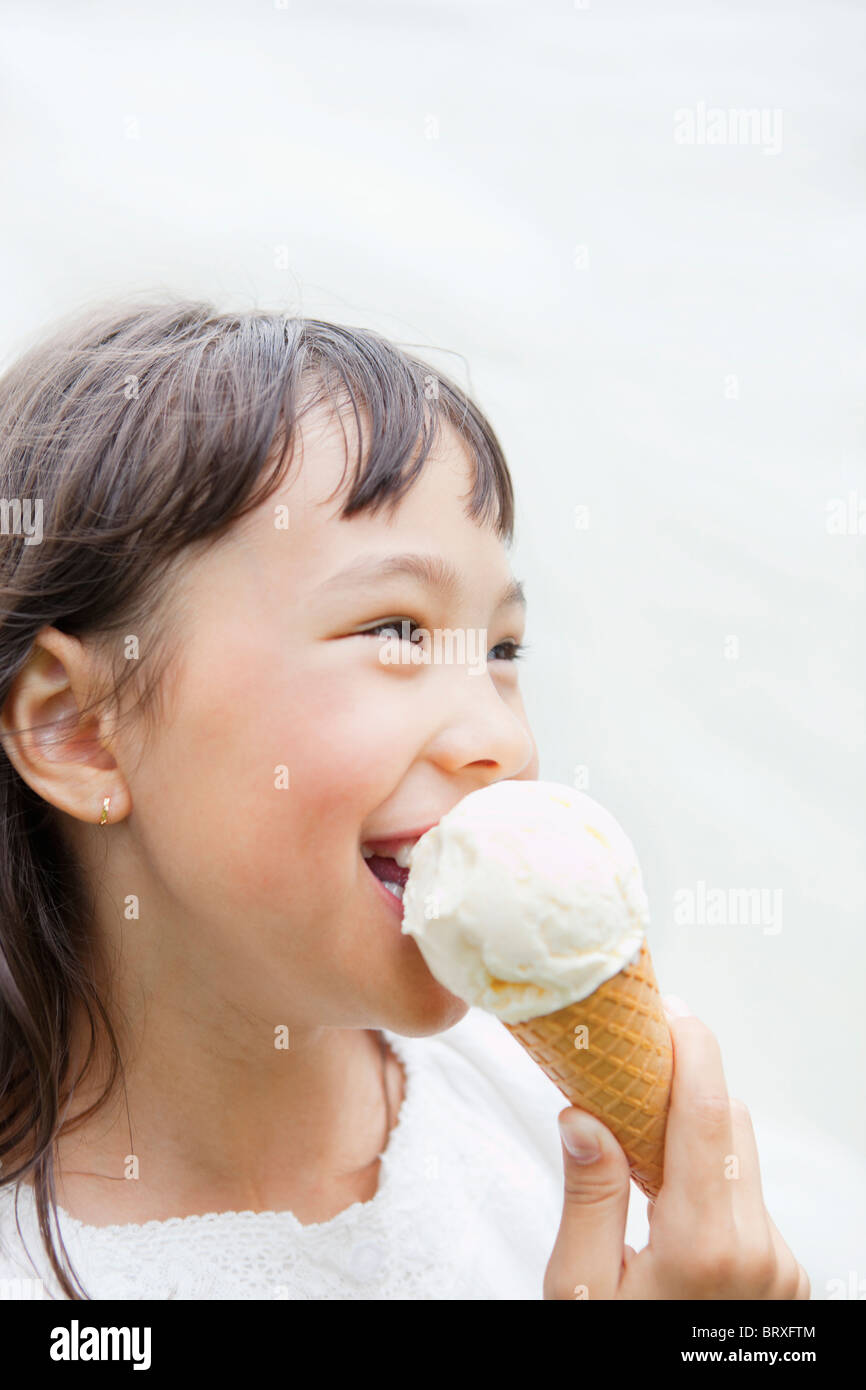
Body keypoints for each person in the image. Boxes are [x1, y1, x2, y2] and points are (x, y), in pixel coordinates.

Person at [0, 298, 808, 1300]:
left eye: (501, 650)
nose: (502, 741)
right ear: (78, 729)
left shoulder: (535, 1100)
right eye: (393, 630)